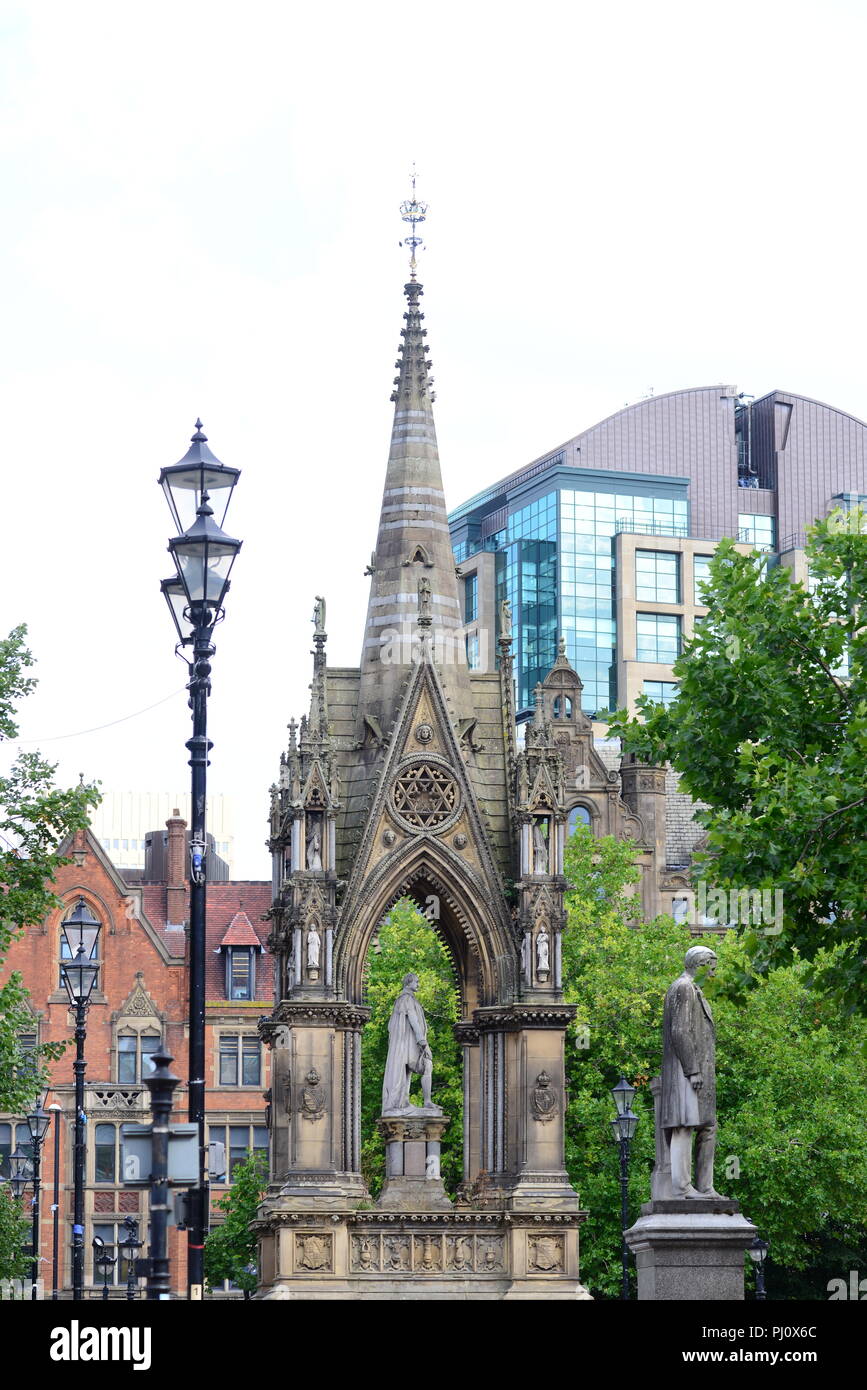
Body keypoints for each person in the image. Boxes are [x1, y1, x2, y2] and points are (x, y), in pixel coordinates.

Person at [661, 945, 723, 1198]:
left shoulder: (696, 990)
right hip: (686, 1073)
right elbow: (679, 1031)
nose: (713, 973)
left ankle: (706, 1186)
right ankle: (683, 1188)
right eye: (711, 967)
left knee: (708, 1126)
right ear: (699, 964)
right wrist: (692, 1070)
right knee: (684, 1126)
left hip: (700, 1074)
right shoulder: (684, 987)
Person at [381, 973, 437, 1113]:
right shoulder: (406, 999)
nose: (418, 985)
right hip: (408, 1044)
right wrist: (424, 1044)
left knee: (408, 1071)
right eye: (416, 982)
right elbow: (413, 1021)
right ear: (409, 983)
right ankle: (425, 1101)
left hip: (408, 1043)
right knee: (427, 1065)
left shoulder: (408, 999)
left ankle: (405, 1101)